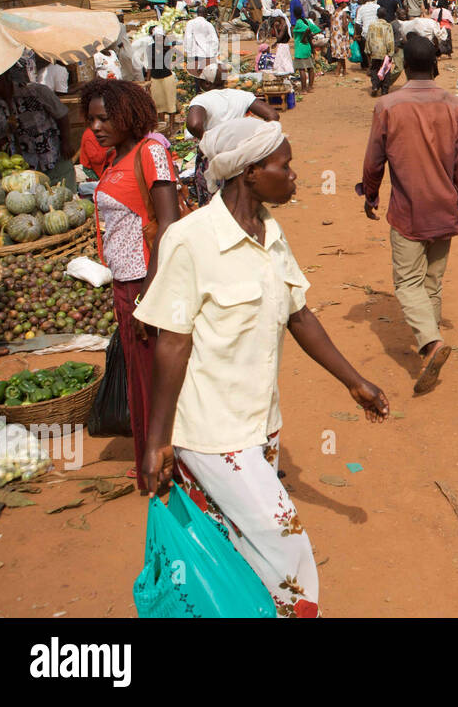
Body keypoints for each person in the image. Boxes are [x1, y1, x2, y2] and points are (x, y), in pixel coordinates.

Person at [137, 118, 390, 618]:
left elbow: (299, 314)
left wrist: (354, 382)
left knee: (242, 542)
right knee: (285, 543)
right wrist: (157, 441)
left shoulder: (270, 232)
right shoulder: (191, 240)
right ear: (250, 172)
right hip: (212, 431)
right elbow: (171, 345)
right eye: (285, 165)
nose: (294, 175)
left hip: (260, 423)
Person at [361, 36, 458, 394]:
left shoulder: (387, 105)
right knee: (431, 282)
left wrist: (370, 193)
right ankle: (430, 347)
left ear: (404, 65)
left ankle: (431, 343)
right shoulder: (454, 106)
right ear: (435, 66)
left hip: (408, 209)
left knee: (407, 283)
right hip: (444, 207)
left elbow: (374, 158)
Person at [82, 79, 182, 481]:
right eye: (91, 120)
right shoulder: (110, 160)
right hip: (125, 284)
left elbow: (170, 224)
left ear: (128, 115)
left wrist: (148, 295)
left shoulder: (151, 153)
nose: (97, 127)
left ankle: (170, 464)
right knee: (141, 377)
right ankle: (150, 458)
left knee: (159, 378)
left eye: (106, 117)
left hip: (148, 283)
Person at [0, 64, 74, 189]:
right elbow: (1, 139)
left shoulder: (37, 91)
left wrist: (66, 142)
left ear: (0, 79)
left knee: (65, 197)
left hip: (55, 158)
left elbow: (62, 115)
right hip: (27, 170)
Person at [186, 85, 280, 206]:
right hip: (240, 156)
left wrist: (209, 141)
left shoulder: (202, 99)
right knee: (242, 199)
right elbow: (273, 116)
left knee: (212, 203)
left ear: (205, 83)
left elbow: (194, 124)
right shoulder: (242, 95)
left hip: (213, 158)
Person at [364, 7, 398, 97]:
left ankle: (375, 86)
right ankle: (384, 90)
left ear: (377, 15)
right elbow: (390, 40)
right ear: (385, 15)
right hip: (385, 52)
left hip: (374, 51)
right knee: (386, 70)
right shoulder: (388, 26)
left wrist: (368, 50)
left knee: (374, 69)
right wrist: (391, 52)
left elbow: (368, 38)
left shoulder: (372, 25)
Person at [182, 6, 220, 81]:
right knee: (205, 76)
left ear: (197, 13)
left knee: (195, 76)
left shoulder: (190, 23)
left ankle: (197, 90)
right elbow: (215, 41)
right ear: (205, 14)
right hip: (206, 55)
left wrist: (188, 52)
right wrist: (214, 54)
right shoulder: (209, 25)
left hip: (194, 54)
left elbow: (188, 38)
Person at [292, 10, 321, 94]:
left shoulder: (299, 22)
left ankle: (304, 89)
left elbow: (307, 29)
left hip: (300, 48)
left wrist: (304, 38)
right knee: (310, 68)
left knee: (301, 69)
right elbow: (317, 29)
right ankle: (310, 87)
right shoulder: (307, 21)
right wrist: (310, 36)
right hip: (308, 47)